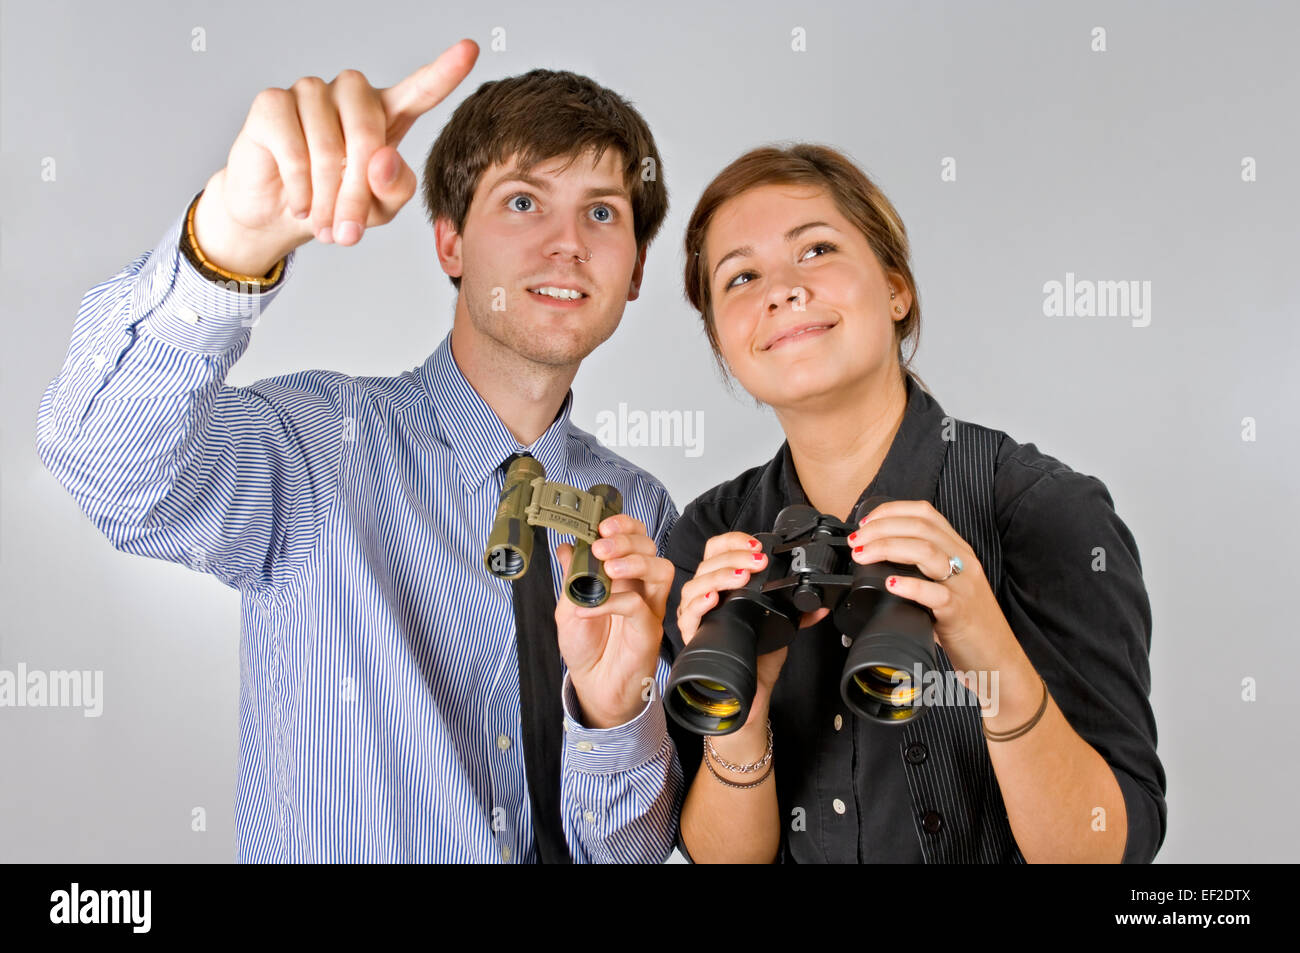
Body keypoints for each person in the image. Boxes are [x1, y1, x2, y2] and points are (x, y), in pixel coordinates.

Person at [36, 39, 683, 863]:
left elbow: (626, 853)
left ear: (632, 272)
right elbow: (99, 457)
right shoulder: (319, 445)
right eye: (524, 202)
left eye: (602, 212)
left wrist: (613, 714)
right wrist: (227, 243)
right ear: (450, 245)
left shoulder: (641, 511)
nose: (568, 243)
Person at [661, 143, 1167, 863]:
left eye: (816, 250)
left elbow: (1107, 849)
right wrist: (738, 726)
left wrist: (984, 643)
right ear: (723, 341)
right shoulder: (712, 535)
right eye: (741, 276)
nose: (781, 290)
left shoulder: (1043, 510)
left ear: (896, 288)